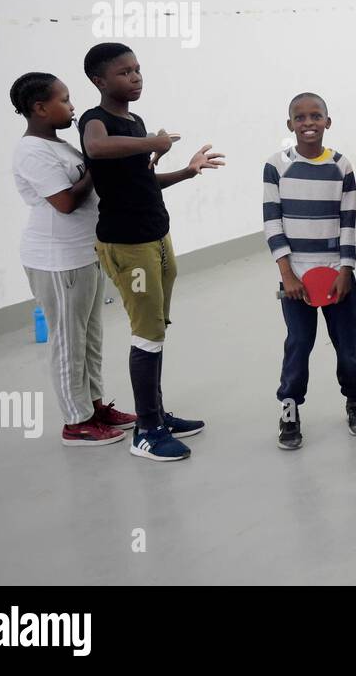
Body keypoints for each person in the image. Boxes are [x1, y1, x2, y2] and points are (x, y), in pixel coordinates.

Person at [79, 43, 223, 462]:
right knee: (147, 334)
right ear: (99, 81)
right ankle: (146, 431)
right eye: (124, 72)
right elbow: (97, 150)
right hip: (128, 244)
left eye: (138, 69)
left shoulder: (134, 120)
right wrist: (151, 141)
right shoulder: (95, 121)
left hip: (158, 238)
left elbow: (144, 181)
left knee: (156, 329)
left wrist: (186, 171)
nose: (136, 77)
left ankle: (156, 414)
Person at [11, 72, 136, 446]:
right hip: (56, 260)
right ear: (39, 107)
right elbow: (64, 203)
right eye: (64, 99)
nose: (72, 106)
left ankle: (94, 406)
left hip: (85, 253)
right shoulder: (31, 151)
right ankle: (76, 421)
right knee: (68, 341)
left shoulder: (61, 145)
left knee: (90, 338)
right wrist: (97, 166)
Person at [265, 92, 356, 450]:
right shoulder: (276, 166)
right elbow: (272, 222)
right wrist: (288, 275)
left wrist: (345, 270)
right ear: (289, 124)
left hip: (338, 277)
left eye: (315, 116)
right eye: (300, 117)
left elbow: (348, 224)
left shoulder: (342, 166)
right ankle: (290, 408)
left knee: (348, 346)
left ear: (328, 121)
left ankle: (355, 398)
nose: (308, 122)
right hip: (295, 281)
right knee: (298, 345)